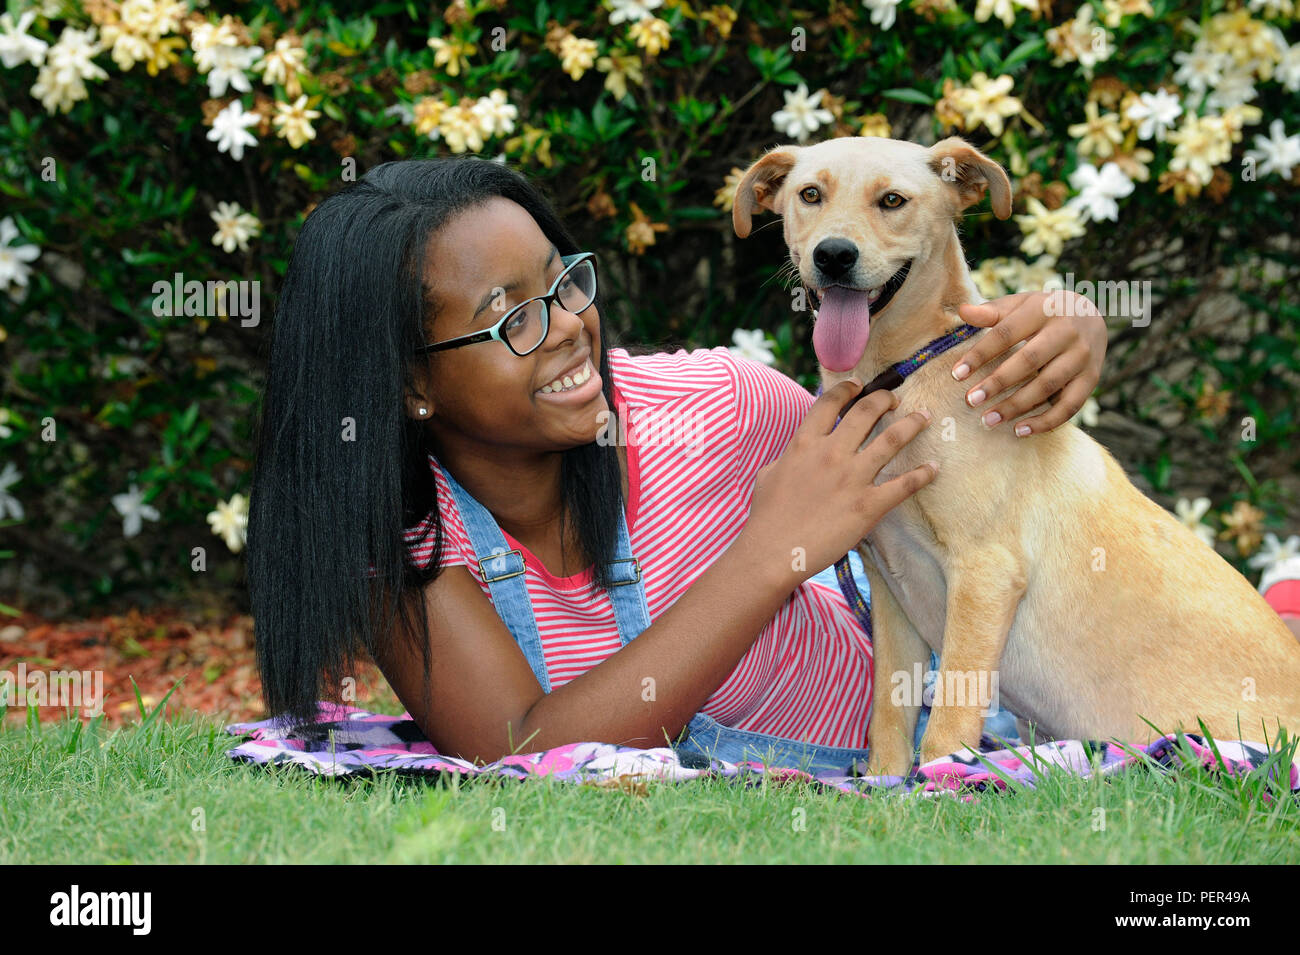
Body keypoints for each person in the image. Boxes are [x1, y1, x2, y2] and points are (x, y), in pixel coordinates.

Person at [246, 156, 1112, 774]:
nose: (568, 328)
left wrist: (1071, 319)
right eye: (510, 318)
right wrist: (772, 556)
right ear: (408, 385)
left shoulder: (712, 407)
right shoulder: (411, 546)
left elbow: (948, 423)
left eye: (564, 283)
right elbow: (519, 749)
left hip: (955, 731)